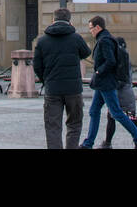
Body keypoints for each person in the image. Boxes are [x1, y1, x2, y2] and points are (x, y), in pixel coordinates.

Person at [79, 16, 137, 149]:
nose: (90, 31)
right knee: (94, 111)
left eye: (91, 28)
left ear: (98, 27)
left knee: (116, 113)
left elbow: (111, 61)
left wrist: (99, 71)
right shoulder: (104, 38)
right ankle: (88, 143)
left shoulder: (105, 40)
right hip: (102, 83)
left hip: (106, 82)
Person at [32, 8, 92, 149]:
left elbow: (37, 66)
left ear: (53, 20)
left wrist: (45, 80)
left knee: (53, 126)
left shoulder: (42, 41)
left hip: (52, 89)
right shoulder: (76, 37)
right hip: (74, 89)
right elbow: (86, 53)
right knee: (74, 124)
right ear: (69, 21)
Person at [99, 37, 137, 149]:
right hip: (123, 93)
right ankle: (107, 143)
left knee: (131, 120)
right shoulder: (124, 57)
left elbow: (121, 79)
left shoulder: (121, 58)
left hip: (122, 94)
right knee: (112, 117)